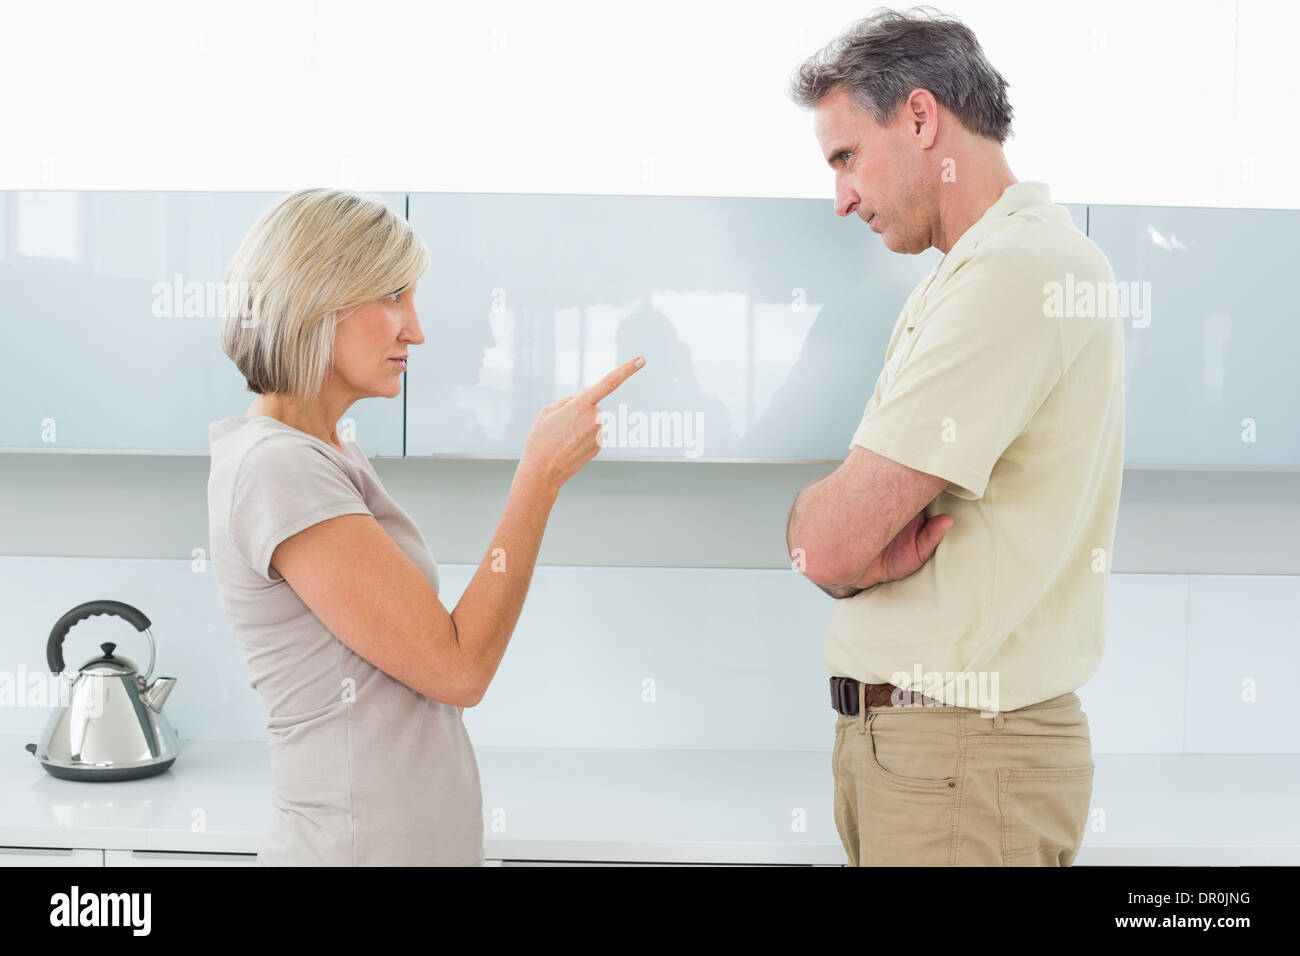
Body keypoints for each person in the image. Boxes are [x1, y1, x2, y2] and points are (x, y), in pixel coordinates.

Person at [206, 187, 643, 865]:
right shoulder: (278, 467)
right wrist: (539, 479)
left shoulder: (325, 450)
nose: (416, 329)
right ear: (315, 299)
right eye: (391, 296)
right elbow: (458, 669)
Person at [784, 8, 1124, 866]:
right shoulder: (976, 271)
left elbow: (827, 546)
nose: (841, 199)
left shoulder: (1014, 273)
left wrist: (826, 537)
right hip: (938, 761)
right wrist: (844, 540)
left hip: (963, 762)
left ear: (922, 118)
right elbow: (843, 542)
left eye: (846, 157)